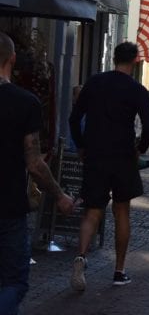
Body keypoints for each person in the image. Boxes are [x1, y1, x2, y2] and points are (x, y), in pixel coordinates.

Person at [68, 41, 149, 291]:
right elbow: (148, 127)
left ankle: (80, 257)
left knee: (92, 210)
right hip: (122, 156)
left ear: (114, 58)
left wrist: (82, 145)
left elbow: (75, 118)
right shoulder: (137, 89)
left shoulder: (95, 82)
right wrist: (139, 149)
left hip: (95, 153)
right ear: (135, 61)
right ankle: (119, 270)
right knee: (121, 211)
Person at [0, 31, 75, 315]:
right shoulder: (24, 102)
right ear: (13, 59)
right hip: (8, 205)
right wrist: (59, 196)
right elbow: (34, 162)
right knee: (15, 282)